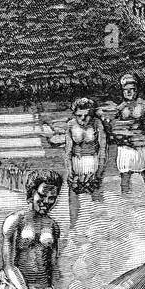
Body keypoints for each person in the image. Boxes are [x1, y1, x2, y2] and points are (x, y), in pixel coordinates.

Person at [112, 72, 145, 200]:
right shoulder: (120, 108)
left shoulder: (144, 105)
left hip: (141, 147)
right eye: (126, 90)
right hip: (125, 148)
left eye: (132, 90)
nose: (129, 93)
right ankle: (126, 207)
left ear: (137, 90)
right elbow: (112, 128)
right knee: (125, 178)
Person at [65, 97, 106, 227]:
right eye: (79, 115)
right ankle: (74, 225)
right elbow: (68, 151)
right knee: (73, 196)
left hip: (92, 161)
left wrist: (99, 171)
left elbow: (103, 149)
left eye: (86, 115)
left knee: (96, 194)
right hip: (76, 162)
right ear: (75, 114)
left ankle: (100, 226)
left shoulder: (97, 123)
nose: (83, 119)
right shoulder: (70, 125)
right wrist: (69, 170)